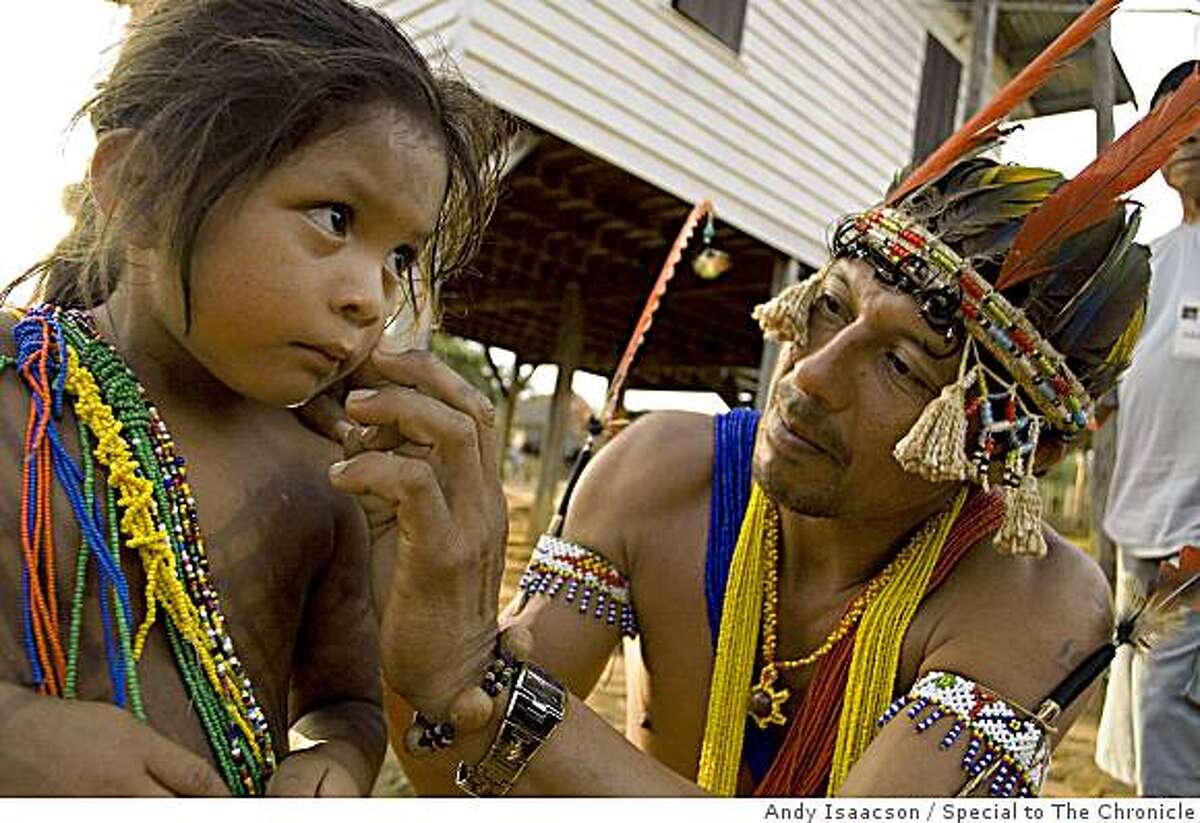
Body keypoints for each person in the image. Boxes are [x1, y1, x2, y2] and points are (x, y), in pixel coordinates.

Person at [334, 13, 1200, 795]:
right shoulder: (658, 474)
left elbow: (485, 720)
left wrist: (483, 686)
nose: (810, 376)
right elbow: (458, 777)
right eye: (827, 307)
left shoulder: (1037, 601)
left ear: (1018, 449)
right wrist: (401, 568)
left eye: (901, 365)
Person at [0, 0, 503, 796]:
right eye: (337, 219)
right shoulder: (19, 404)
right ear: (138, 187)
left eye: (401, 257)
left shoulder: (329, 478)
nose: (372, 296)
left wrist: (332, 760)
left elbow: (345, 703)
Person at [1095, 59, 1200, 798]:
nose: (1188, 137)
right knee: (1147, 739)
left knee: (1167, 725)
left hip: (1194, 545)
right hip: (1138, 538)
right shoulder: (1143, 268)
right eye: (1173, 121)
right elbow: (1102, 397)